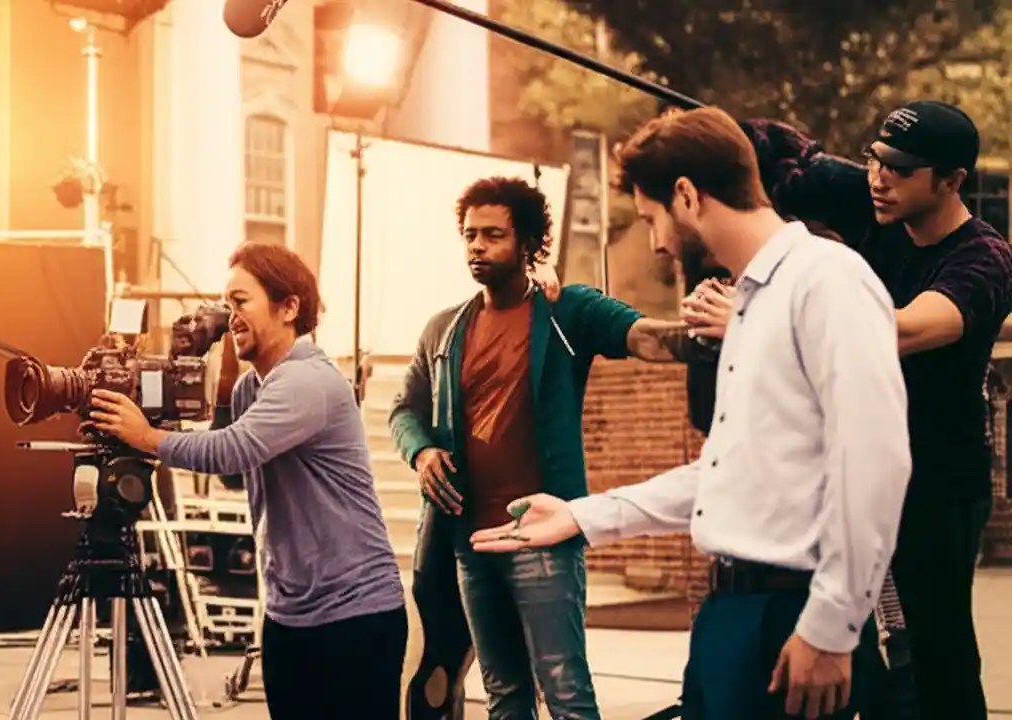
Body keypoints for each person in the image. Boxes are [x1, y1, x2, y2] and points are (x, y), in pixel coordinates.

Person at [470, 108, 911, 720]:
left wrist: (832, 626)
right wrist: (581, 515)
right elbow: (726, 471)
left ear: (686, 195)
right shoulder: (751, 302)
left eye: (653, 218)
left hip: (790, 614)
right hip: (728, 615)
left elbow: (875, 461)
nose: (656, 242)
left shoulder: (828, 281)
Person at [686, 101, 1012, 719]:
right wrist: (718, 133)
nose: (879, 178)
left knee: (934, 647)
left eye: (901, 170)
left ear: (951, 181)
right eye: (874, 159)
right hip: (852, 460)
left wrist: (753, 318)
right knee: (852, 641)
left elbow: (902, 330)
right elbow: (781, 159)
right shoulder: (873, 195)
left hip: (938, 481)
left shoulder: (984, 260)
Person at [391, 176, 690, 720]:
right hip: (471, 542)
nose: (477, 246)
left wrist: (722, 331)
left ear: (529, 243)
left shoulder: (566, 311)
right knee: (504, 694)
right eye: (469, 235)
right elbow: (404, 409)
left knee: (566, 692)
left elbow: (646, 337)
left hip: (545, 536)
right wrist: (422, 451)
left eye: (492, 235)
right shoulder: (444, 329)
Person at [88, 241, 406, 720]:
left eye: (240, 302)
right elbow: (239, 475)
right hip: (287, 614)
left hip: (354, 616)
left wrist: (147, 437)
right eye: (225, 303)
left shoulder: (307, 380)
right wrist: (208, 385)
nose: (228, 315)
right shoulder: (249, 388)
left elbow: (231, 450)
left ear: (289, 307)